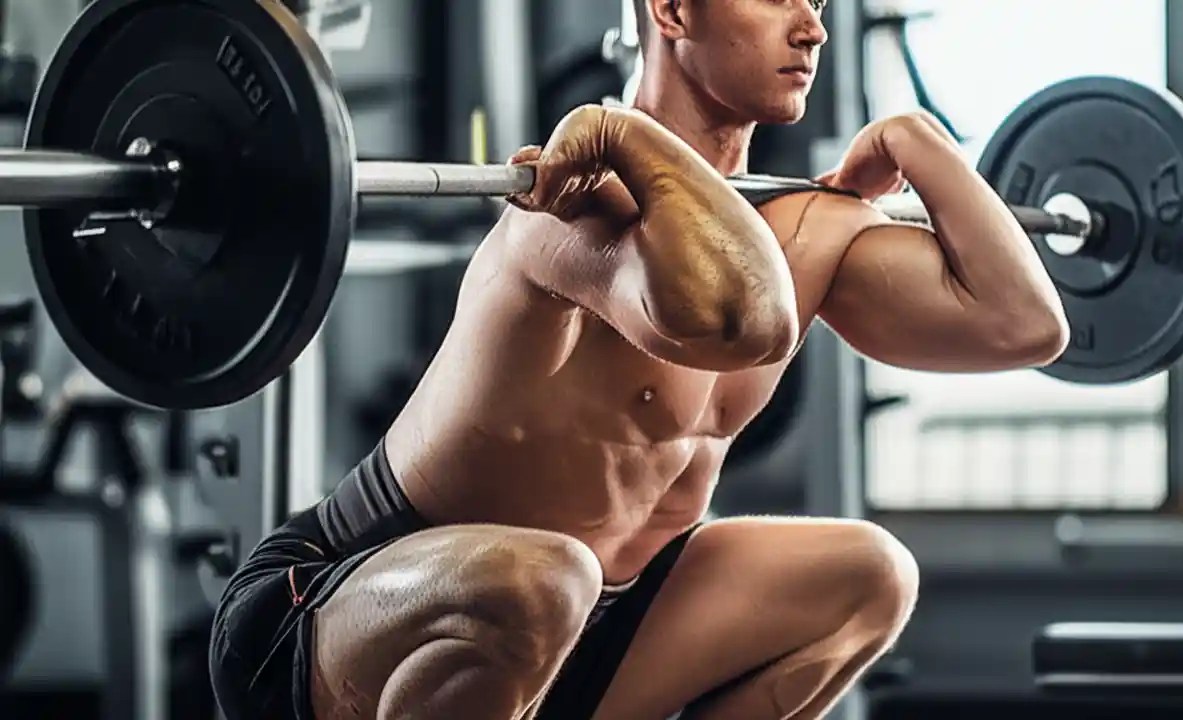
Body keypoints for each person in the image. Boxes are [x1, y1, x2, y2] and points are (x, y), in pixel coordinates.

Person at [209, 0, 1069, 718]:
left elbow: (1023, 325)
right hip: (340, 610)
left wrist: (922, 143)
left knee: (869, 576)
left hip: (593, 630)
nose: (812, 26)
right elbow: (740, 318)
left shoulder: (812, 226)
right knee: (543, 578)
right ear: (671, 10)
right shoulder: (578, 198)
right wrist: (625, 135)